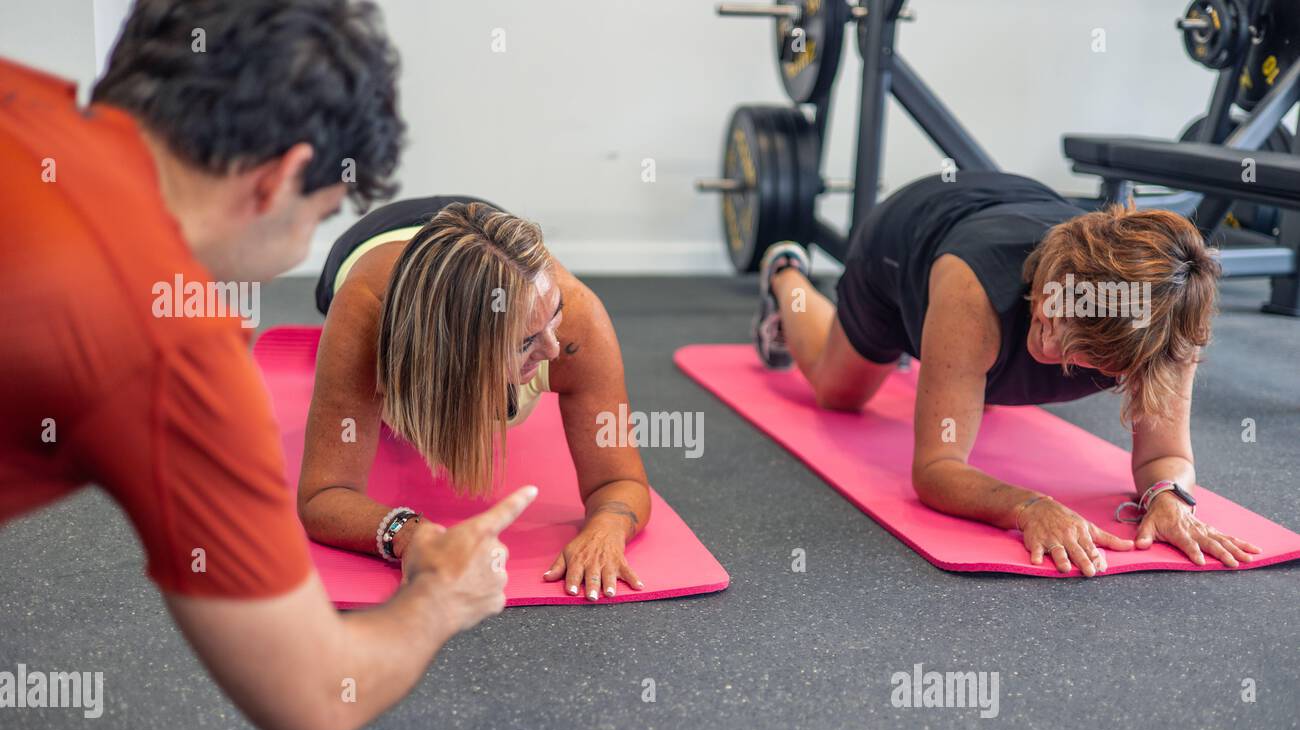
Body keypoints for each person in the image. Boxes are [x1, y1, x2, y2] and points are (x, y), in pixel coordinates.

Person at [0, 0, 532, 730]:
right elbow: (315, 699)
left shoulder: (20, 98)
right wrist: (441, 597)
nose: (307, 238)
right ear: (279, 178)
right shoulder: (172, 349)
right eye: (322, 216)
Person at [753, 171, 1262, 576]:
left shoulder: (1165, 328)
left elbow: (1166, 455)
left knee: (984, 379)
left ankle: (963, 364)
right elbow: (934, 469)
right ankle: (786, 272)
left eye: (1074, 340)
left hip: (999, 229)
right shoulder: (974, 291)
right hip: (905, 240)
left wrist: (1169, 497)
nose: (1048, 332)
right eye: (1052, 304)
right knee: (836, 389)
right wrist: (1028, 507)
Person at [300, 198, 651, 602]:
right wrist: (408, 534)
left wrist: (608, 527)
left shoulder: (577, 324)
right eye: (524, 343)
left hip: (475, 238)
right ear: (458, 350)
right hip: (370, 240)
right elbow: (323, 496)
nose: (553, 349)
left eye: (555, 314)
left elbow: (619, 480)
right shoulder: (365, 313)